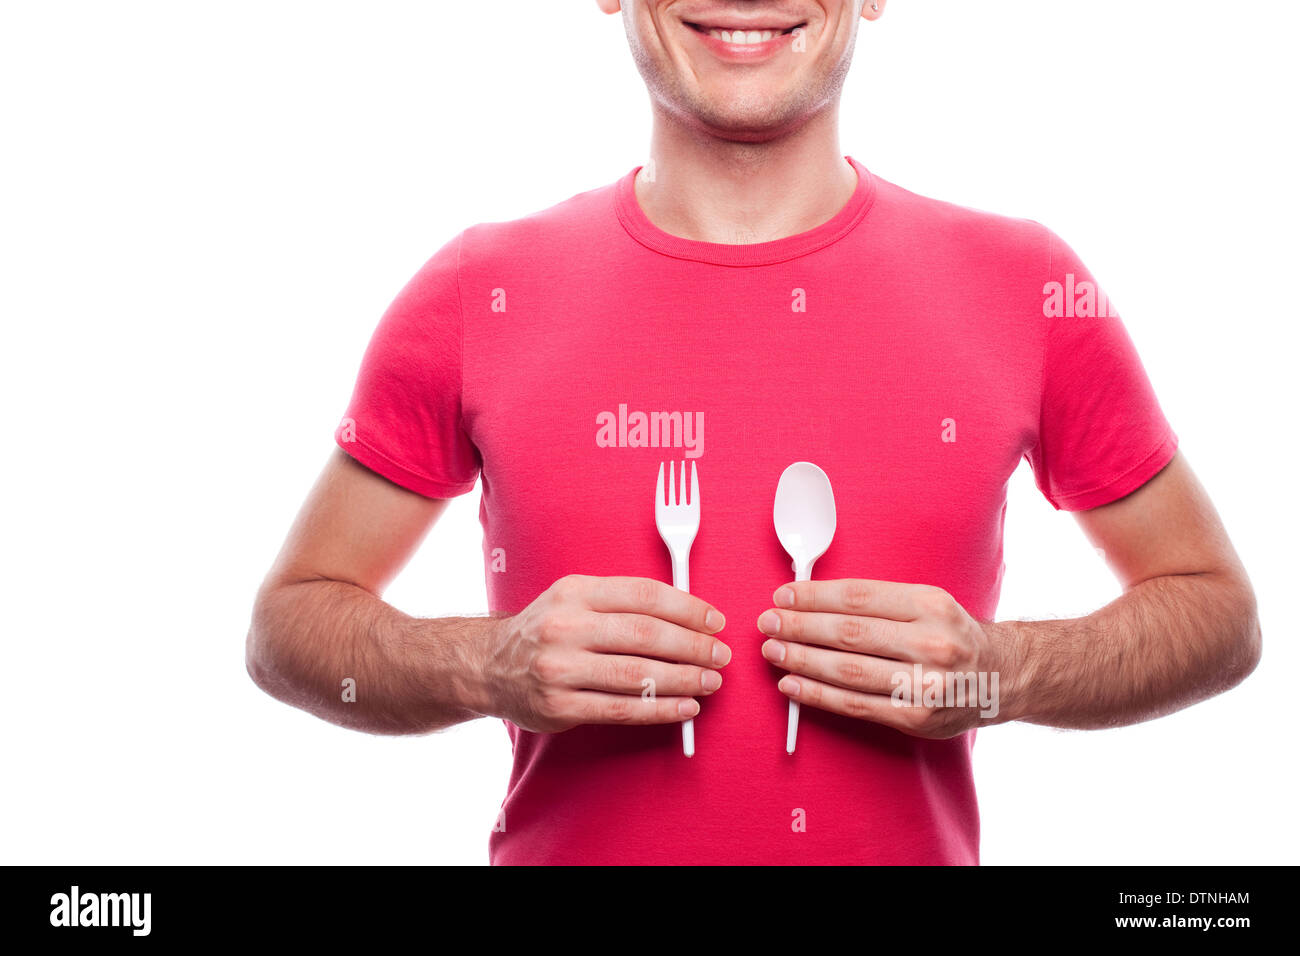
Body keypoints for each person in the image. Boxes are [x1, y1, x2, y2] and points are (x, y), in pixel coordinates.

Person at [245, 1, 1260, 865]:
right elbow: (289, 628)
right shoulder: (481, 288)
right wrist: (485, 662)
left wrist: (1000, 669)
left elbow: (1216, 614)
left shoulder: (1023, 283)